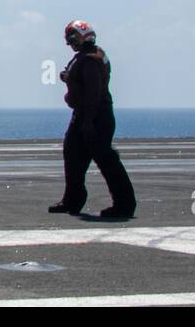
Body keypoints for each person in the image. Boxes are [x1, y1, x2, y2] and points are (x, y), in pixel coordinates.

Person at [50, 21, 136, 218]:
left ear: (79, 38)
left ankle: (124, 204)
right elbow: (82, 81)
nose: (70, 44)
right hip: (86, 115)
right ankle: (72, 199)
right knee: (72, 154)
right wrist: (69, 77)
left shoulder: (89, 60)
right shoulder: (92, 55)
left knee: (106, 159)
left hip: (94, 116)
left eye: (72, 39)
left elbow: (93, 91)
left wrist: (88, 121)